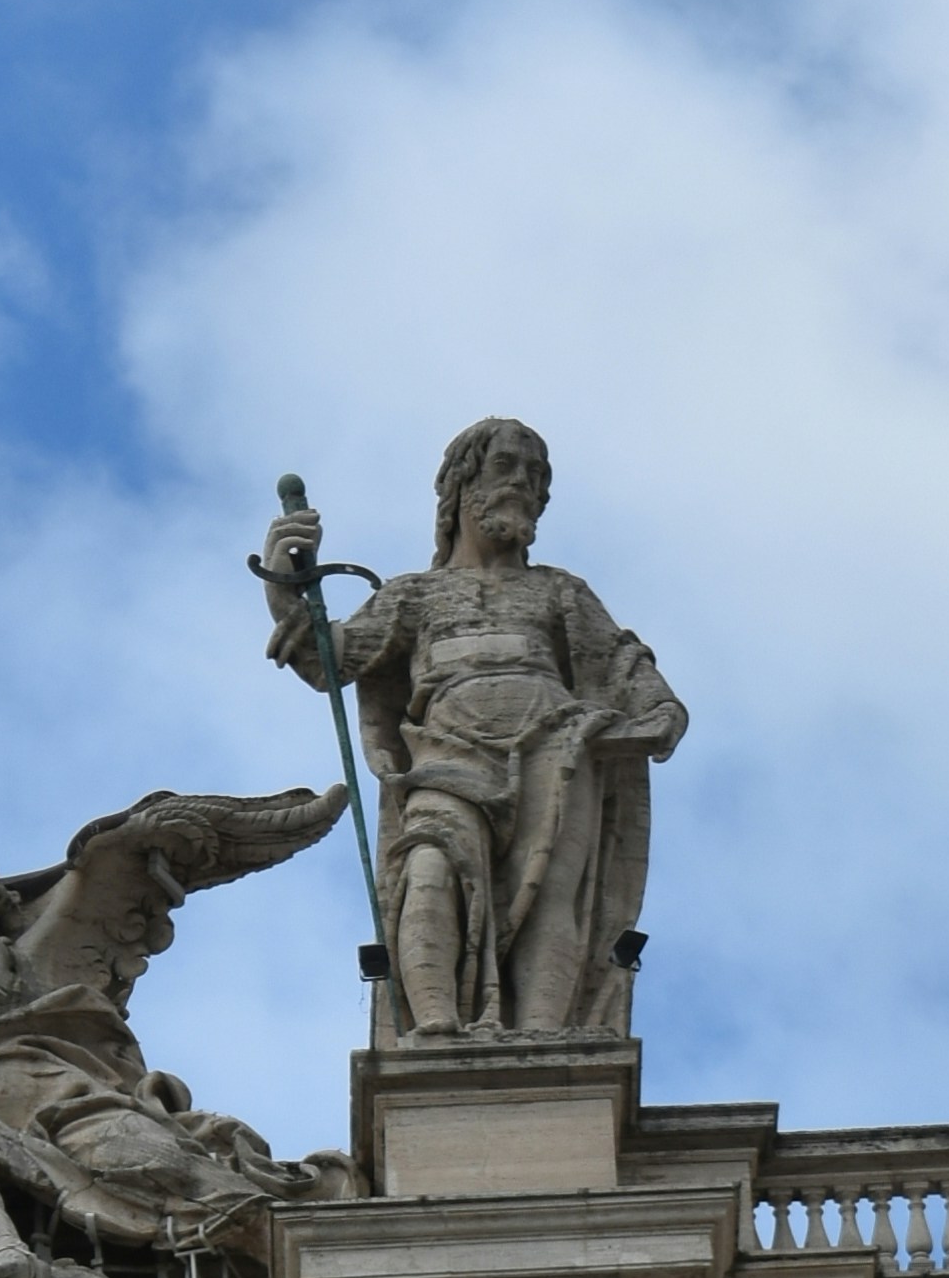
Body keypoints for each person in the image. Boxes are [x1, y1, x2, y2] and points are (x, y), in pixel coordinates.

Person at [262, 423, 687, 1040]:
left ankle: (543, 1040)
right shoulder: (415, 595)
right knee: (430, 868)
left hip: (556, 745)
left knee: (548, 893)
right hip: (446, 748)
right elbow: (330, 660)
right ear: (461, 485)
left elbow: (623, 662)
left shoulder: (559, 590)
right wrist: (285, 588)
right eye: (506, 467)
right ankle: (433, 1030)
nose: (522, 485)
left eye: (535, 478)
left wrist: (661, 709)